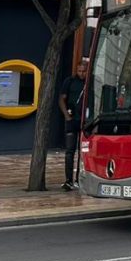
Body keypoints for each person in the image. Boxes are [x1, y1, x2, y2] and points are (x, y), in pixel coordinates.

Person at [57, 59, 88, 191]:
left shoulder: (90, 83)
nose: (81, 73)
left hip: (85, 121)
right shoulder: (69, 82)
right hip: (71, 120)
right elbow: (61, 100)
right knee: (70, 151)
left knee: (83, 151)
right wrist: (67, 116)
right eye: (79, 71)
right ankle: (68, 179)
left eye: (83, 71)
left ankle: (79, 178)